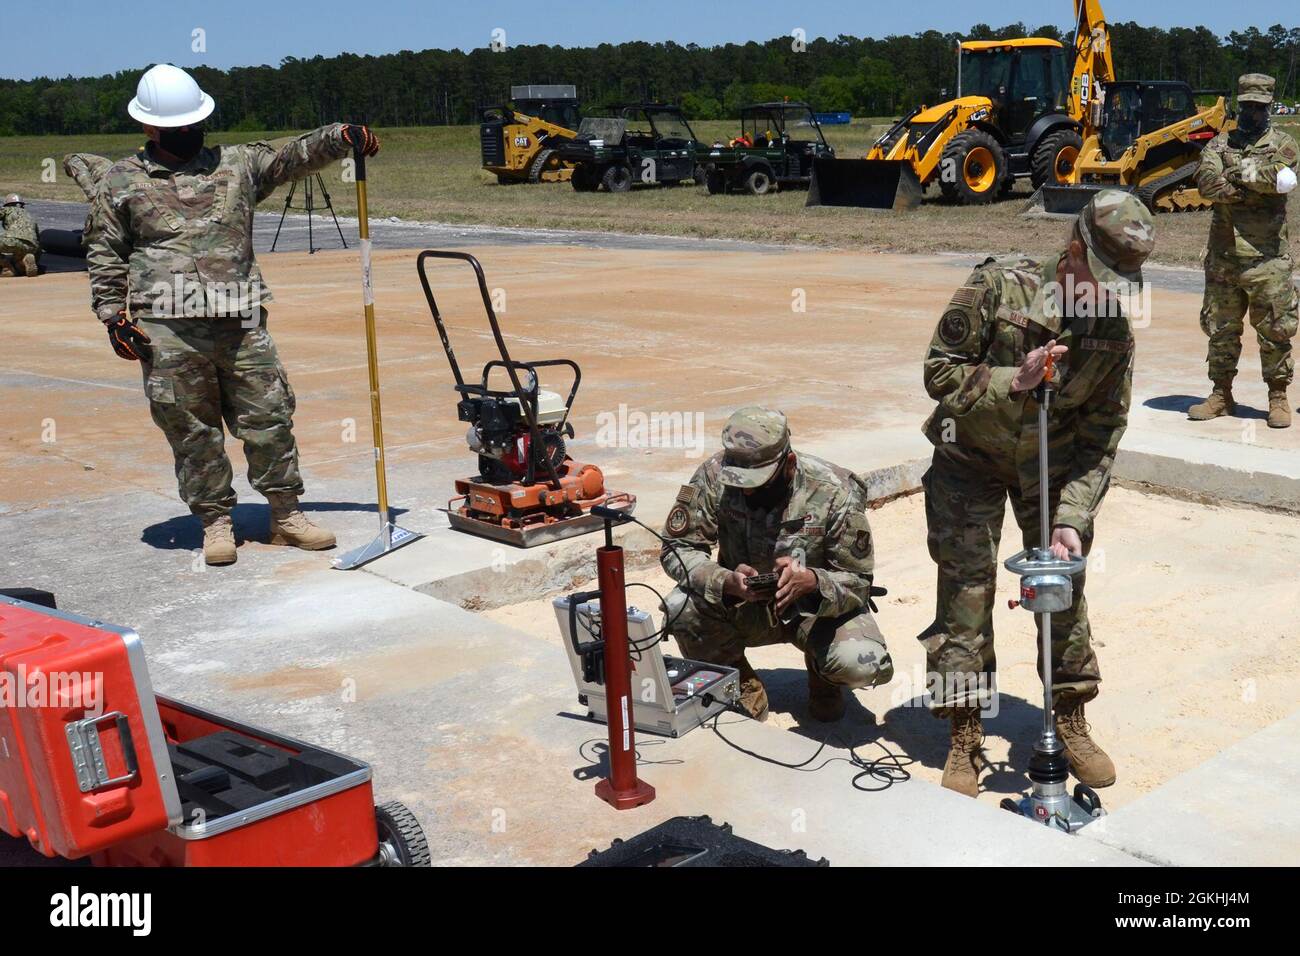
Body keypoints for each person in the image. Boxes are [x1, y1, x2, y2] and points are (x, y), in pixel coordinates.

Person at [86, 63, 380, 565]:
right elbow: (105, 250)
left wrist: (340, 136)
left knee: (269, 417)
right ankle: (216, 521)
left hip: (242, 321)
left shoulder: (238, 164)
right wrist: (113, 314)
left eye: (194, 124)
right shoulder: (121, 181)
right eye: (177, 127)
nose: (189, 134)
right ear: (150, 128)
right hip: (167, 326)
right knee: (191, 428)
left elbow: (294, 155)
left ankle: (286, 514)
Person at [919, 189, 1154, 798]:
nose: (1103, 292)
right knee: (965, 593)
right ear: (1073, 245)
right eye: (1097, 274)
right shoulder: (1000, 287)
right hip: (968, 459)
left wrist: (1072, 516)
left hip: (1048, 470)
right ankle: (965, 728)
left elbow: (1103, 433)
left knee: (1062, 588)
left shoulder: (1113, 331)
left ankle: (1069, 715)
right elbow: (938, 373)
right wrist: (1011, 380)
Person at [660, 406, 892, 722]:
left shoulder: (835, 489)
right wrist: (724, 580)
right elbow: (677, 547)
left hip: (813, 612)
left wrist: (813, 581)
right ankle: (740, 682)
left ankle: (823, 677)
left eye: (759, 481)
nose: (749, 490)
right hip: (745, 608)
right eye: (740, 481)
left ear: (789, 463)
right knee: (679, 606)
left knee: (862, 663)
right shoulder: (714, 475)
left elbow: (858, 580)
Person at [1190, 73, 1300, 429]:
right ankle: (1221, 394)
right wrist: (1252, 182)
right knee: (1220, 329)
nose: (1252, 112)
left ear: (1268, 106)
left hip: (1268, 259)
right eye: (1247, 105)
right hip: (1224, 257)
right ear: (1239, 104)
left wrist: (1236, 173)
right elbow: (1205, 182)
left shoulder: (1284, 143)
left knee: (1276, 331)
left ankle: (1278, 396)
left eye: (1259, 106)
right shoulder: (1219, 143)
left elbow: (1282, 179)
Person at [0, 194, 40, 277]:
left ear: (7, 204)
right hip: (31, 245)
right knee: (18, 257)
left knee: (12, 248)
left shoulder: (7, 210)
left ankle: (6, 266)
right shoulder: (30, 216)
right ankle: (23, 261)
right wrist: (37, 258)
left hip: (12, 241)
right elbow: (38, 241)